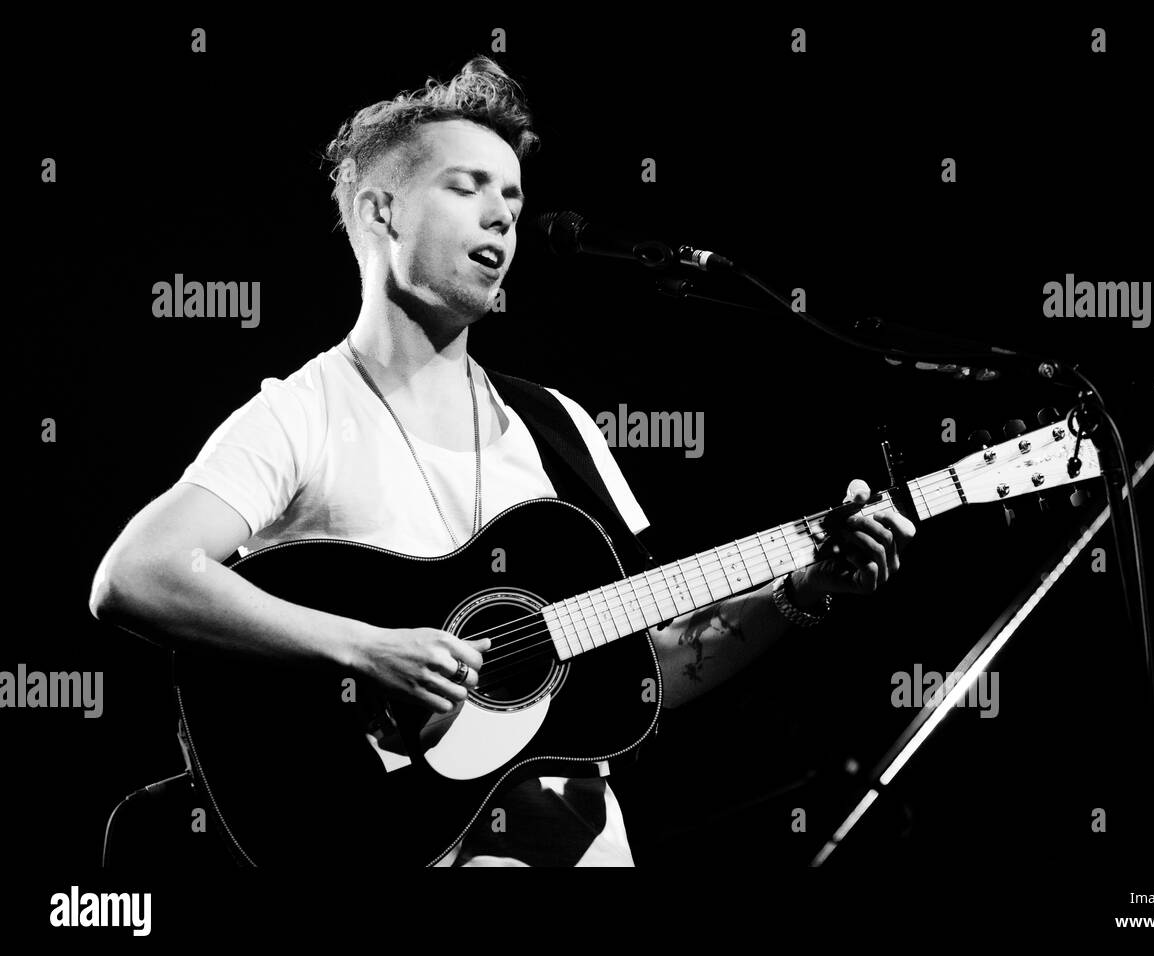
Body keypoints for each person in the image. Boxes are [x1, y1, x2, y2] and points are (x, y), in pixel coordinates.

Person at [88, 56, 916, 867]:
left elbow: (654, 666)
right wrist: (365, 649)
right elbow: (139, 575)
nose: (503, 219)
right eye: (468, 188)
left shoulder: (553, 424)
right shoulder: (300, 414)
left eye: (513, 200)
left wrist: (803, 590)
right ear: (381, 213)